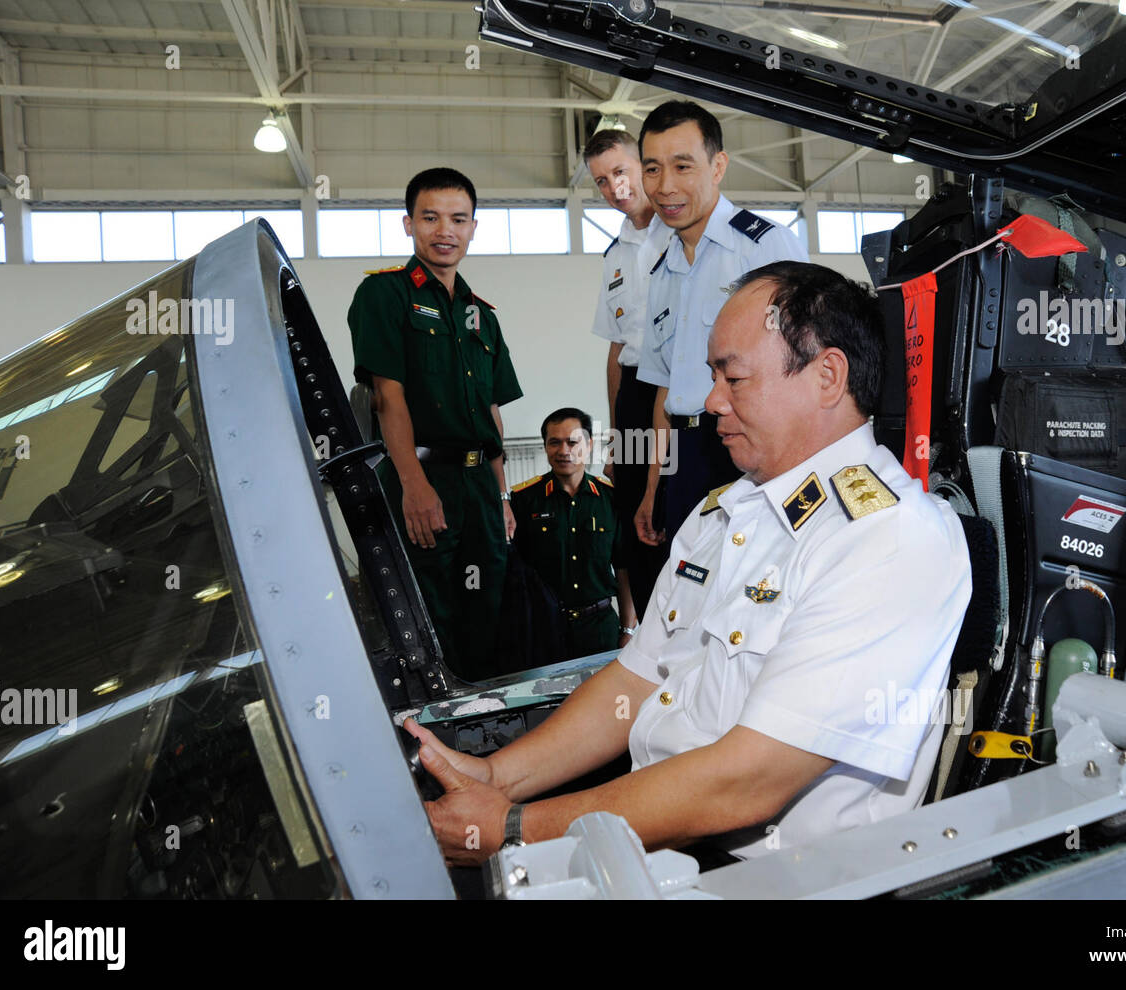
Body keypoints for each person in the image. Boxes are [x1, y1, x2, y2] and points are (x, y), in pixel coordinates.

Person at [406, 261, 972, 866]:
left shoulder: (887, 537)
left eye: (734, 378)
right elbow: (635, 680)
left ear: (827, 376)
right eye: (712, 376)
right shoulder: (721, 513)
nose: (710, 401)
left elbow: (752, 777)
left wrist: (517, 828)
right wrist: (495, 779)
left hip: (777, 876)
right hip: (660, 838)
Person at [348, 167, 522, 682]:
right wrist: (414, 485)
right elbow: (387, 396)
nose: (445, 230)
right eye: (430, 217)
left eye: (458, 219)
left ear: (473, 228)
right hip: (423, 478)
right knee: (427, 618)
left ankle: (484, 726)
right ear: (408, 224)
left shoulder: (482, 316)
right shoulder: (385, 295)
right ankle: (431, 735)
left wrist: (503, 497)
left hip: (479, 490)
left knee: (486, 613)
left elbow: (492, 413)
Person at [632, 100, 809, 561]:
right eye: (652, 169)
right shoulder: (661, 272)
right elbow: (664, 394)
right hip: (683, 460)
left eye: (682, 166)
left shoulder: (764, 247)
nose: (665, 186)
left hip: (749, 454)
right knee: (688, 601)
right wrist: (655, 485)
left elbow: (800, 371)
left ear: (718, 166)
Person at [584, 128, 673, 619]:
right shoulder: (615, 255)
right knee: (635, 525)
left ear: (643, 165)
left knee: (671, 514)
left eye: (620, 171)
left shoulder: (682, 231)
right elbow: (617, 350)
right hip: (636, 400)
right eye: (601, 181)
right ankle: (650, 639)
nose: (614, 187)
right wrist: (617, 439)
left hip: (684, 394)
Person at [510, 408, 637, 658]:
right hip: (543, 629)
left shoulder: (610, 499)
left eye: (572, 442)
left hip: (600, 629)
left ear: (589, 445)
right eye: (554, 442)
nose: (563, 450)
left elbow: (624, 570)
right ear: (545, 447)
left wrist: (628, 630)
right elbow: (516, 574)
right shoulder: (524, 501)